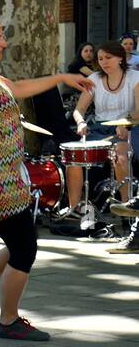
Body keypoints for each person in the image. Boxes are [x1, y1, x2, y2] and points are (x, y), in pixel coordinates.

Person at [0, 10, 89, 341]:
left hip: (4, 178)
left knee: (17, 244)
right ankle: (8, 321)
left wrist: (60, 79)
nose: (4, 43)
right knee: (25, 248)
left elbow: (20, 88)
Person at [63, 40, 139, 217]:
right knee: (73, 157)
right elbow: (79, 110)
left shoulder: (135, 77)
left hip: (127, 128)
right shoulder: (94, 79)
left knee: (120, 157)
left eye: (108, 57)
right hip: (98, 129)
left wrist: (125, 123)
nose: (104, 62)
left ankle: (126, 207)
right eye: (101, 58)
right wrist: (81, 122)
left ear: (120, 57)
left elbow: (138, 110)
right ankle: (76, 209)